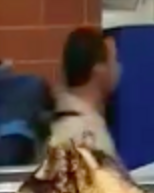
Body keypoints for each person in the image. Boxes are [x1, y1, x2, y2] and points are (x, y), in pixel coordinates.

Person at [48, 26, 120, 156]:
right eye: (114, 61)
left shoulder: (69, 124)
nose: (118, 68)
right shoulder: (83, 136)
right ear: (99, 68)